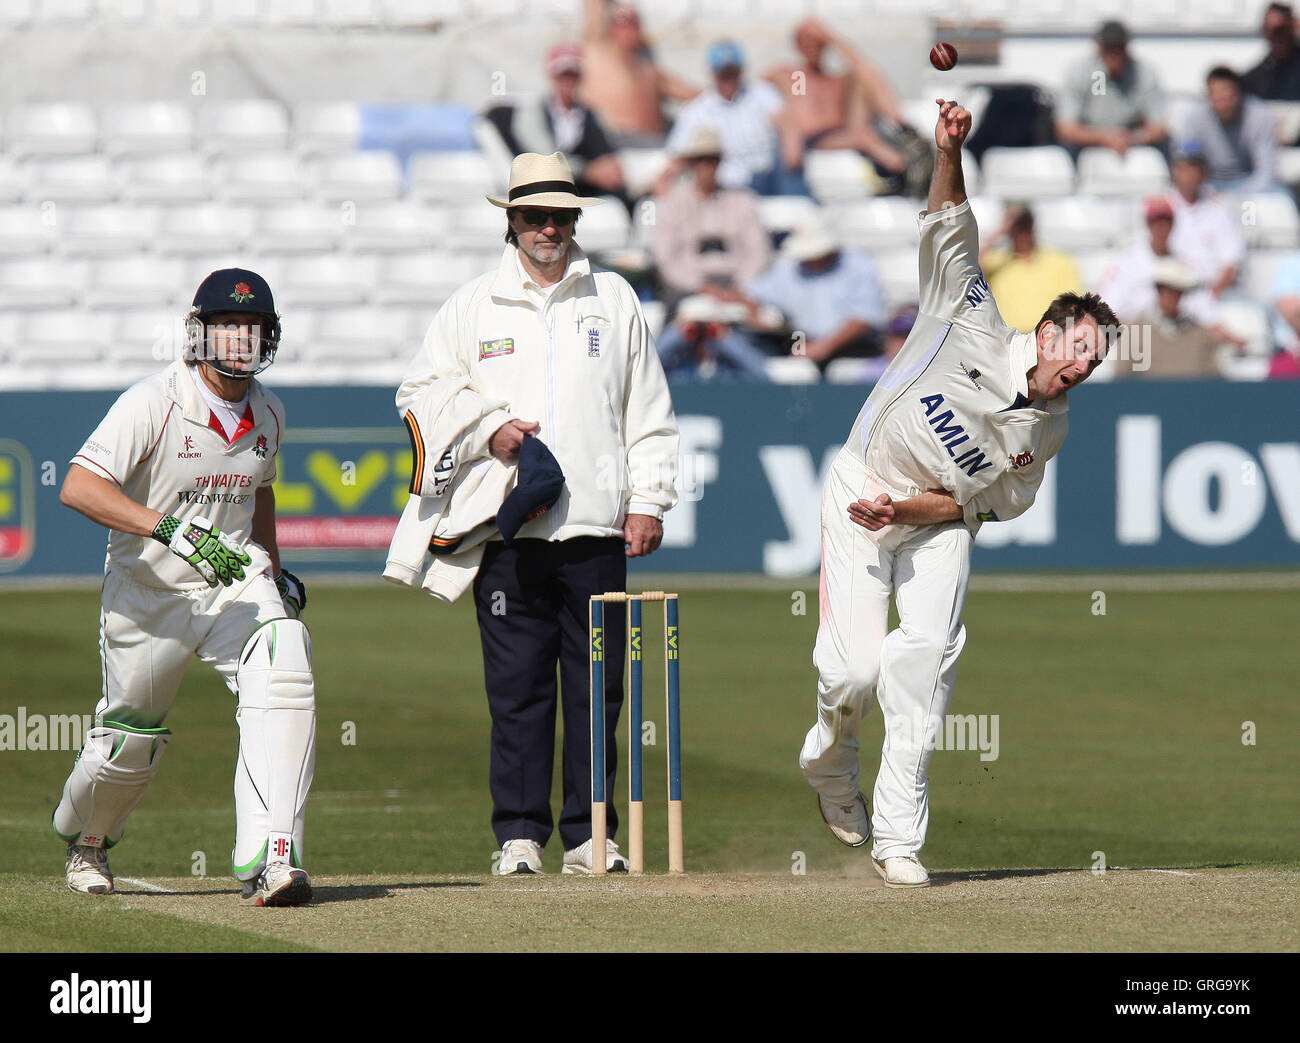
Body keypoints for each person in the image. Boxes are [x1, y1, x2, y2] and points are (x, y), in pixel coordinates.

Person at [798, 99, 1120, 888]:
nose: (1080, 367)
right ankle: (830, 758)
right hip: (860, 488)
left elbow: (978, 508)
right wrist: (949, 147)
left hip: (934, 524)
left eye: (1094, 362)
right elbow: (948, 217)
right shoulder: (967, 311)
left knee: (925, 661)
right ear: (1046, 334)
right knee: (852, 675)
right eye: (1076, 348)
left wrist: (914, 511)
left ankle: (898, 841)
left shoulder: (1050, 430)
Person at [395, 152, 679, 876]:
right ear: (511, 220)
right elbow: (418, 393)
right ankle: (519, 834)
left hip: (595, 530)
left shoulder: (613, 298)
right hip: (508, 529)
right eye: (534, 216)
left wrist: (646, 501)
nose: (548, 228)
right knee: (518, 689)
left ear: (574, 220)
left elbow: (648, 411)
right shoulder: (472, 305)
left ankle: (589, 836)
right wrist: (487, 427)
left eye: (560, 216)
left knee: (599, 689)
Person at [53, 269, 316, 907]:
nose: (240, 341)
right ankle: (87, 841)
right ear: (200, 333)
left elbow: (260, 489)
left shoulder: (270, 412)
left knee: (286, 660)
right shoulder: (154, 401)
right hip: (150, 593)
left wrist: (273, 566)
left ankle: (273, 858)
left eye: (252, 329)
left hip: (233, 585)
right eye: (228, 327)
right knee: (129, 739)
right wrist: (170, 530)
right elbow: (79, 487)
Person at [763, 17, 909, 191]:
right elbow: (747, 91)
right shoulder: (791, 75)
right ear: (797, 45)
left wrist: (831, 37)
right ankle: (905, 169)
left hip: (842, 132)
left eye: (817, 41)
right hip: (810, 139)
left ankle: (904, 131)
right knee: (865, 138)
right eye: (806, 41)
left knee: (863, 80)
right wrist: (786, 126)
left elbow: (865, 68)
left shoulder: (837, 81)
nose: (812, 46)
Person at [483, 43, 627, 204]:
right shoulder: (533, 112)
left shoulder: (589, 116)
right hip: (541, 187)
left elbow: (604, 151)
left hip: (580, 188)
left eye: (574, 75)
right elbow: (543, 157)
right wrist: (587, 172)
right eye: (564, 75)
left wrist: (607, 169)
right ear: (552, 76)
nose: (569, 81)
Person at [659, 39, 803, 197]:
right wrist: (664, 180)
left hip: (768, 176)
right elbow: (677, 155)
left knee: (794, 171)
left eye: (732, 72)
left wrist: (792, 142)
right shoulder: (698, 110)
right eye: (723, 74)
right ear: (713, 73)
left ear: (741, 70)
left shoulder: (761, 93)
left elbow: (786, 123)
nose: (728, 79)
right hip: (727, 187)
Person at [743, 217, 888, 370]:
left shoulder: (858, 265)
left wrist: (823, 347)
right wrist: (755, 315)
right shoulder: (789, 267)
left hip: (855, 347)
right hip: (799, 342)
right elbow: (752, 295)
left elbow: (865, 318)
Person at [581, 0, 698, 146]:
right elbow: (594, 7)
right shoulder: (598, 54)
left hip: (655, 147)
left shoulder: (649, 71)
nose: (630, 28)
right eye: (622, 21)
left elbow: (699, 95)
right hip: (614, 147)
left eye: (634, 22)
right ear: (611, 27)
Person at [1055, 20, 1169, 156]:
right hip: (1088, 141)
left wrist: (1132, 138)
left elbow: (1159, 127)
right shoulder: (1081, 71)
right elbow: (1066, 128)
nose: (1114, 56)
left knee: (1165, 148)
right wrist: (1104, 138)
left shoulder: (1143, 73)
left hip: (1131, 140)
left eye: (1118, 49)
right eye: (1109, 50)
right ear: (1099, 48)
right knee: (1066, 150)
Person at [1110, 258, 1223, 378]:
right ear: (1159, 291)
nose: (1173, 297)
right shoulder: (1134, 334)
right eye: (1167, 290)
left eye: (1178, 291)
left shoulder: (1200, 335)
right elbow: (1122, 383)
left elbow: (1214, 382)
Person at [978, 204, 1083, 333]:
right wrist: (1001, 230)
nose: (1022, 234)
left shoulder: (1060, 261)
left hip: (1047, 339)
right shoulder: (997, 261)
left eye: (1025, 227)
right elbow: (965, 270)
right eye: (1017, 228)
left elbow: (1073, 305)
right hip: (1007, 341)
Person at [1165, 140, 1247, 302]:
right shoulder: (1162, 207)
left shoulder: (1219, 209)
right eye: (1181, 167)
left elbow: (1232, 261)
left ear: (1203, 172)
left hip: (1210, 292)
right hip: (1171, 294)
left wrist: (1213, 295)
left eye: (1192, 166)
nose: (1187, 173)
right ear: (1174, 171)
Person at [1180, 66, 1279, 192]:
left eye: (1227, 95)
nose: (1222, 102)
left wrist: (1243, 195)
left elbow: (1267, 168)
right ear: (1208, 95)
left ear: (1238, 93)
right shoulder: (1195, 117)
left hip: (1249, 184)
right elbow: (1186, 163)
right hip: (1207, 188)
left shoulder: (1259, 115)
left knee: (1281, 197)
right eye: (1216, 96)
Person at [1243, 3, 1300, 102]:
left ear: (1292, 27)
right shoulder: (1254, 78)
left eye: (1280, 29)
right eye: (1268, 30)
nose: (1275, 36)